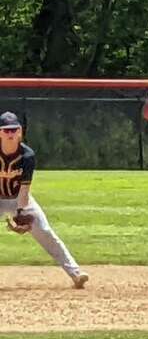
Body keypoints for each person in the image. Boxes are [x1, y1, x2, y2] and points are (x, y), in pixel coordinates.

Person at [0, 111, 89, 288]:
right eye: (6, 130)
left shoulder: (27, 156)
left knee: (45, 231)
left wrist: (20, 213)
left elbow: (24, 188)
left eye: (14, 130)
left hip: (20, 198)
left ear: (20, 132)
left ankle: (76, 274)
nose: (10, 133)